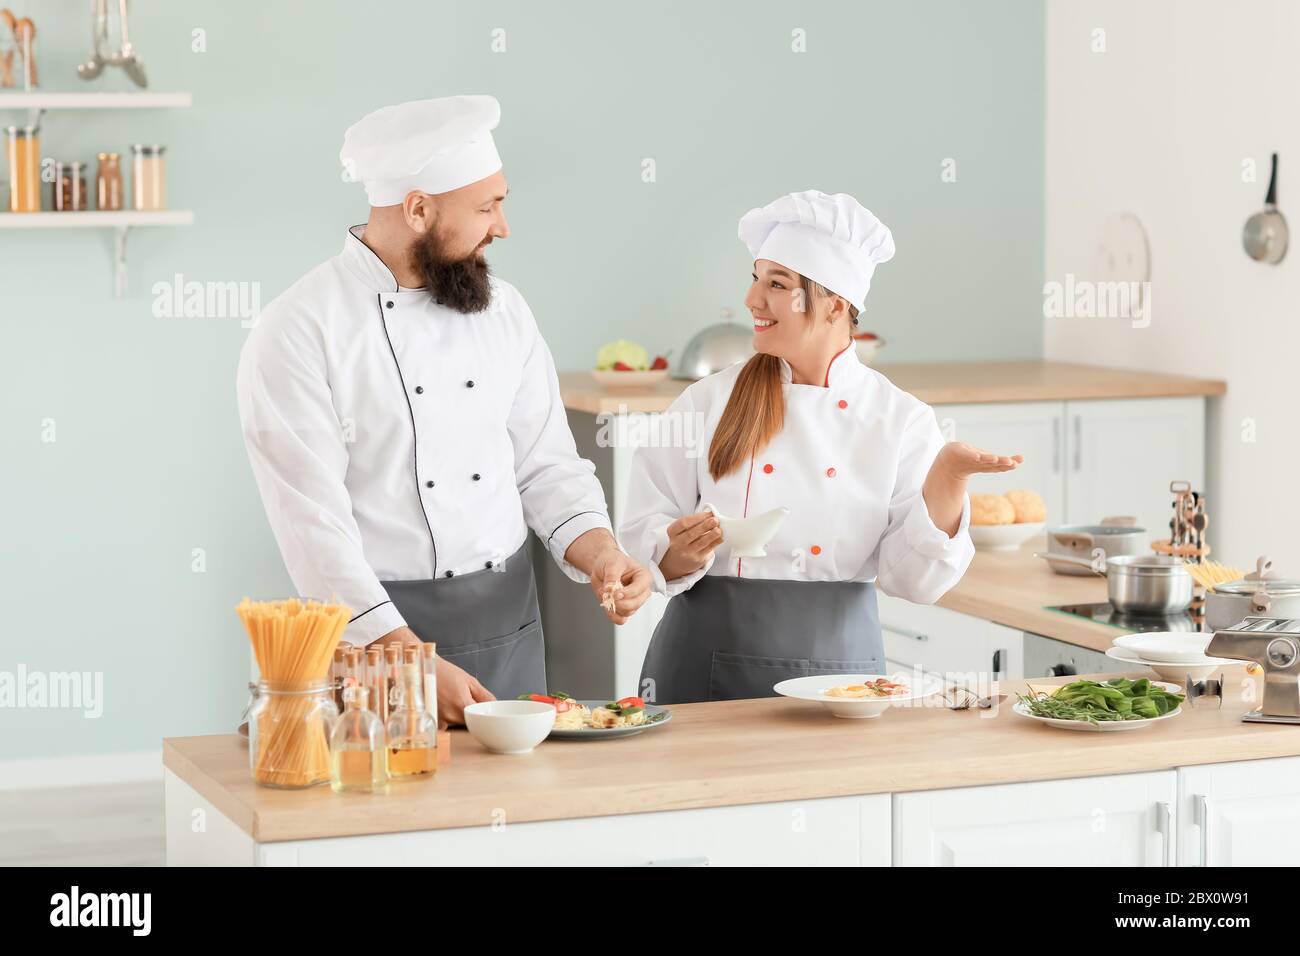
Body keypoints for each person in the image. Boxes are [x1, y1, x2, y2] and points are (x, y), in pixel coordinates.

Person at [237, 95, 651, 726]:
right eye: (486, 207)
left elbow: (546, 466)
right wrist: (408, 662)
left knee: (522, 792)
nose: (502, 227)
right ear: (418, 210)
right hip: (374, 641)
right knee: (386, 789)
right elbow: (312, 526)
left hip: (508, 626)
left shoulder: (506, 311)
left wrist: (602, 554)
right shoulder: (298, 329)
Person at [620, 190, 1021, 704]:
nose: (752, 299)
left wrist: (948, 479)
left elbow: (915, 583)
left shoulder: (900, 420)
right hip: (704, 665)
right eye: (756, 278)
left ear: (835, 304)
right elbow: (642, 538)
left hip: (845, 677)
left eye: (777, 283)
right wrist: (675, 554)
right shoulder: (707, 402)